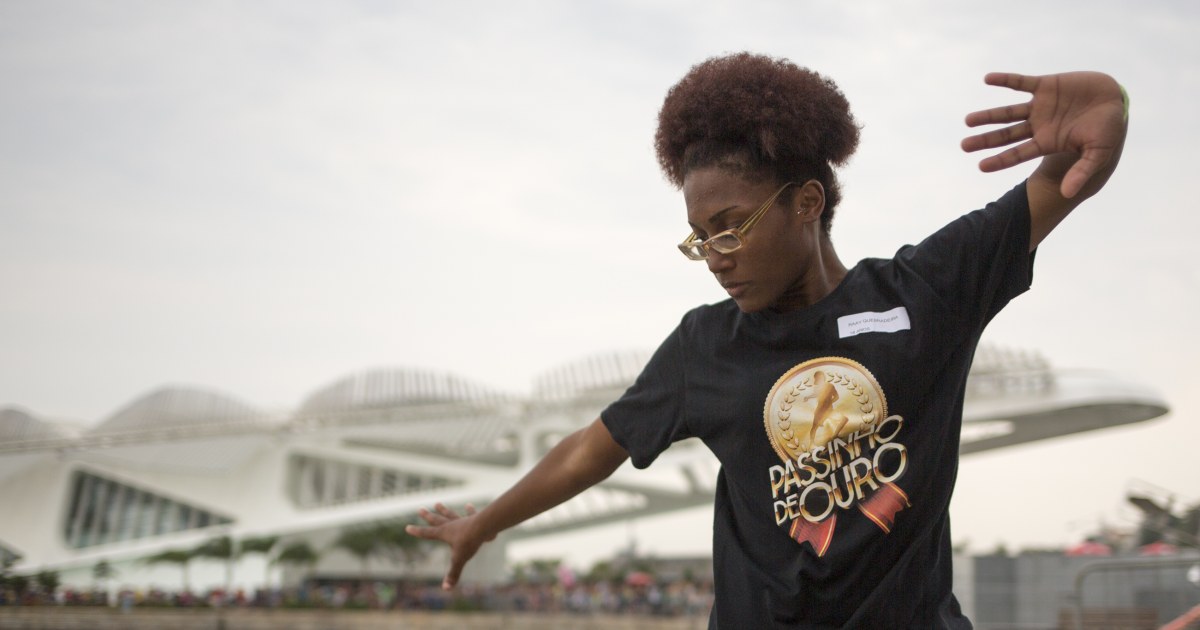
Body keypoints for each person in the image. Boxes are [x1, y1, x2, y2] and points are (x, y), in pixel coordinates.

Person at [406, 52, 1128, 627]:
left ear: (807, 203)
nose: (716, 252)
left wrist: (1110, 111)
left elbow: (1064, 180)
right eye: (700, 236)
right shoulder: (705, 346)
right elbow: (592, 450)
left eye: (731, 224)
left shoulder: (922, 296)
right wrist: (486, 523)